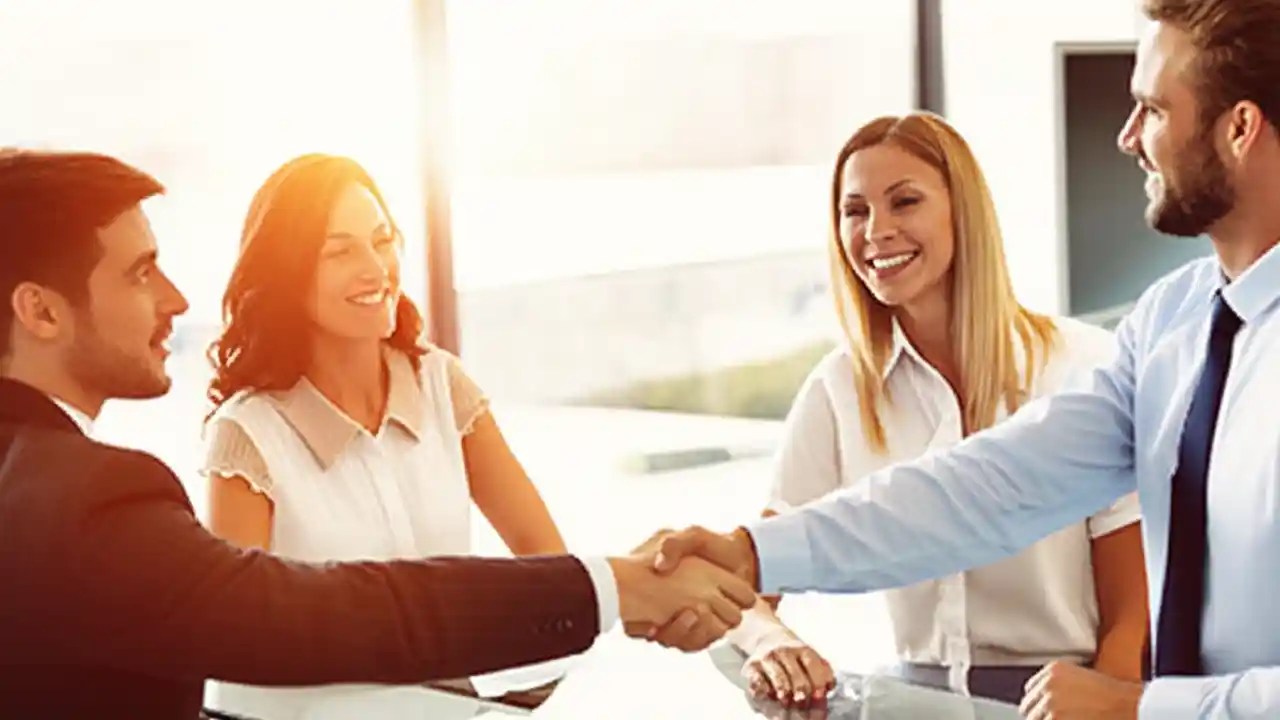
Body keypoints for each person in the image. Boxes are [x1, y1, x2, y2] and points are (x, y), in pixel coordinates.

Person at [650, 0, 1280, 717]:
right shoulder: (1171, 323)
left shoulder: (1095, 348)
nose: (1127, 136)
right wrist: (752, 552)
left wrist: (1139, 710)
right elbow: (990, 487)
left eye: (1154, 110)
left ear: (1239, 127)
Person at [0, 149, 756, 719]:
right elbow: (293, 624)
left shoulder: (439, 382)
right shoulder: (96, 494)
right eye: (140, 273)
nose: (174, 299)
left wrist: (597, 606)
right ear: (39, 311)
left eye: (382, 239)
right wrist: (617, 585)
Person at [725, 113, 1147, 708]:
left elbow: (1134, 616)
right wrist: (771, 641)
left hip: (1063, 696)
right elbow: (746, 580)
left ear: (962, 211)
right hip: (910, 701)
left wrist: (1106, 702)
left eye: (905, 202)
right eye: (855, 211)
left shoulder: (1083, 365)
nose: (876, 231)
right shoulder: (840, 388)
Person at [198, 154, 577, 716]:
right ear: (286, 273)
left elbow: (550, 569)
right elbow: (239, 655)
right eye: (340, 251)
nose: (376, 269)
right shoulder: (247, 436)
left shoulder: (442, 385)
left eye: (381, 240)